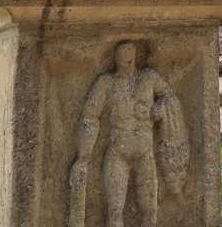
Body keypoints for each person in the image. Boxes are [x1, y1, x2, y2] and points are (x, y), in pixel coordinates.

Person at [68, 41, 185, 227]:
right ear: (116, 58)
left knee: (150, 211)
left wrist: (159, 108)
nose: (127, 60)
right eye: (123, 56)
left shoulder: (149, 78)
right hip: (118, 153)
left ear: (136, 56)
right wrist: (84, 156)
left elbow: (169, 97)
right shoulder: (107, 82)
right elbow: (90, 117)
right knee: (115, 211)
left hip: (145, 152)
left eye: (130, 55)